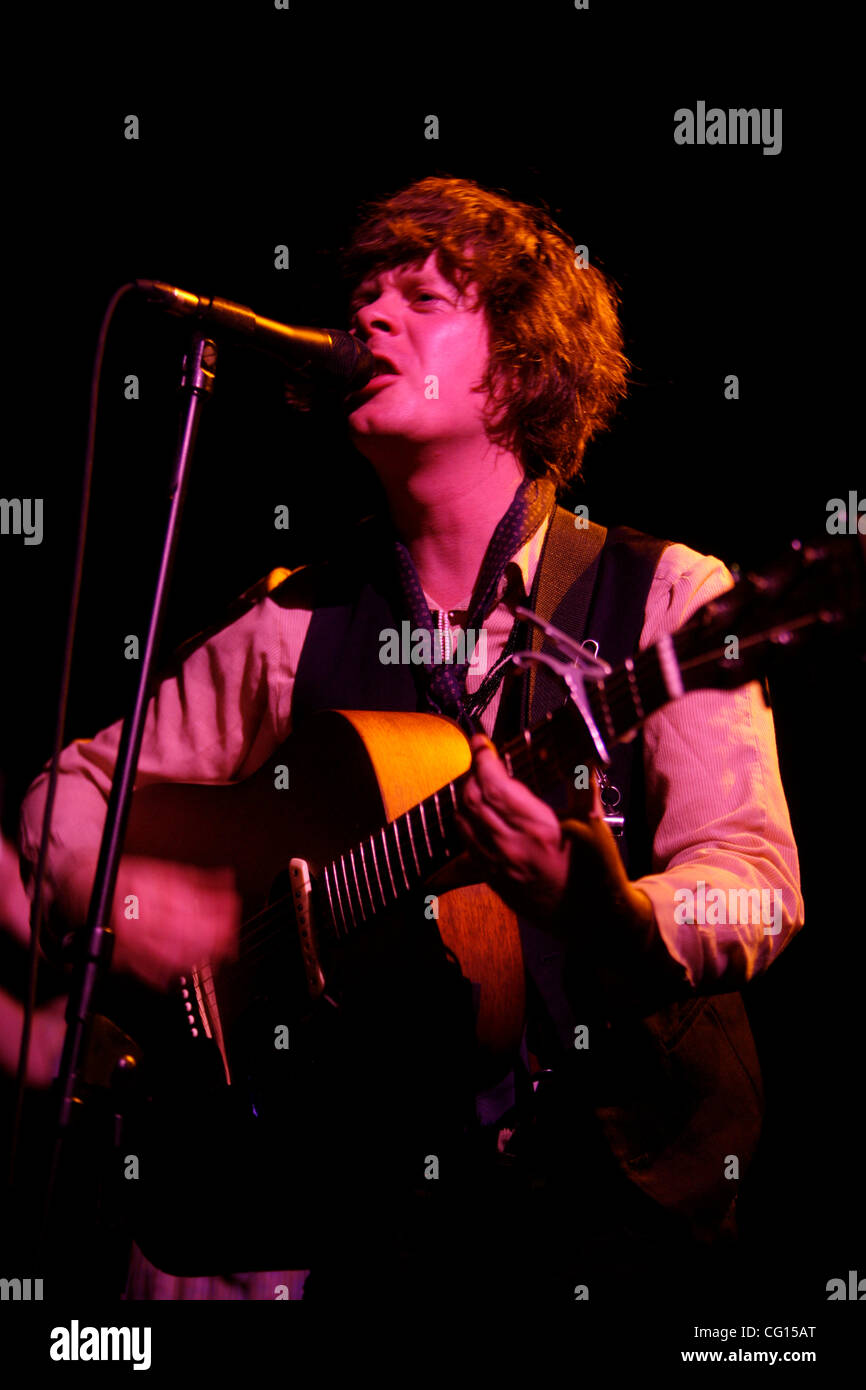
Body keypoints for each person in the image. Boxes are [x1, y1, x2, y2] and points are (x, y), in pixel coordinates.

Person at [18, 176, 803, 1304]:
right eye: (364, 295)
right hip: (379, 1229)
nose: (368, 315)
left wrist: (613, 913)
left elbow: (758, 884)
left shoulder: (668, 596)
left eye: (423, 297)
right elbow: (64, 798)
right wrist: (152, 918)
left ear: (521, 370)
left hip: (618, 1225)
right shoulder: (291, 623)